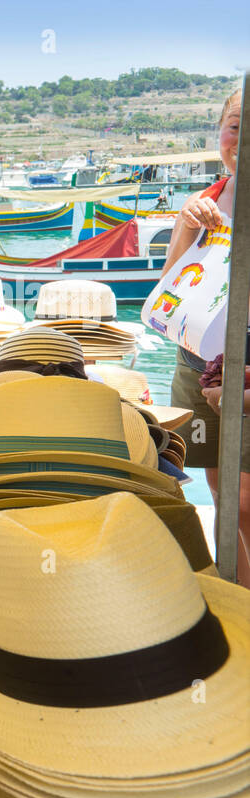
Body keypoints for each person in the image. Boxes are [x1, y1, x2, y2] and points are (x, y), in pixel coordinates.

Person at [165, 88, 248, 587]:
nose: (241, 138)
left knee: (244, 500)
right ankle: (237, 602)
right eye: (235, 125)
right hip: (200, 367)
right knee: (222, 498)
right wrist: (181, 232)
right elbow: (169, 302)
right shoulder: (203, 206)